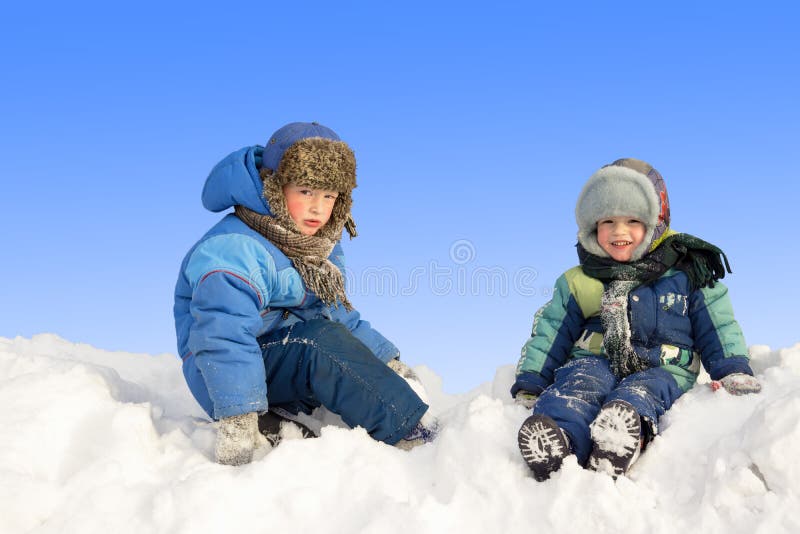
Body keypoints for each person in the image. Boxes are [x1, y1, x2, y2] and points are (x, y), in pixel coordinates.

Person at [174, 121, 437, 465]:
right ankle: (414, 434)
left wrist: (384, 361)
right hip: (222, 376)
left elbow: (337, 315)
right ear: (274, 186)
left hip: (279, 362)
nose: (318, 208)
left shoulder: (316, 247)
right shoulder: (234, 249)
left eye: (329, 196)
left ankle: (284, 422)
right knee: (317, 342)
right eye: (306, 191)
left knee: (324, 337)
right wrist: (237, 417)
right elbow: (223, 336)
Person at [512, 158, 761, 481]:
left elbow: (718, 324)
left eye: (633, 220)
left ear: (656, 221)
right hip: (596, 359)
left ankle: (622, 440)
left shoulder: (687, 271)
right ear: (591, 226)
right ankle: (560, 441)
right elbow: (551, 332)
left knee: (640, 395)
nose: (619, 232)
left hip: (663, 367)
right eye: (608, 221)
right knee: (578, 386)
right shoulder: (579, 280)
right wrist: (533, 379)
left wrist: (732, 368)